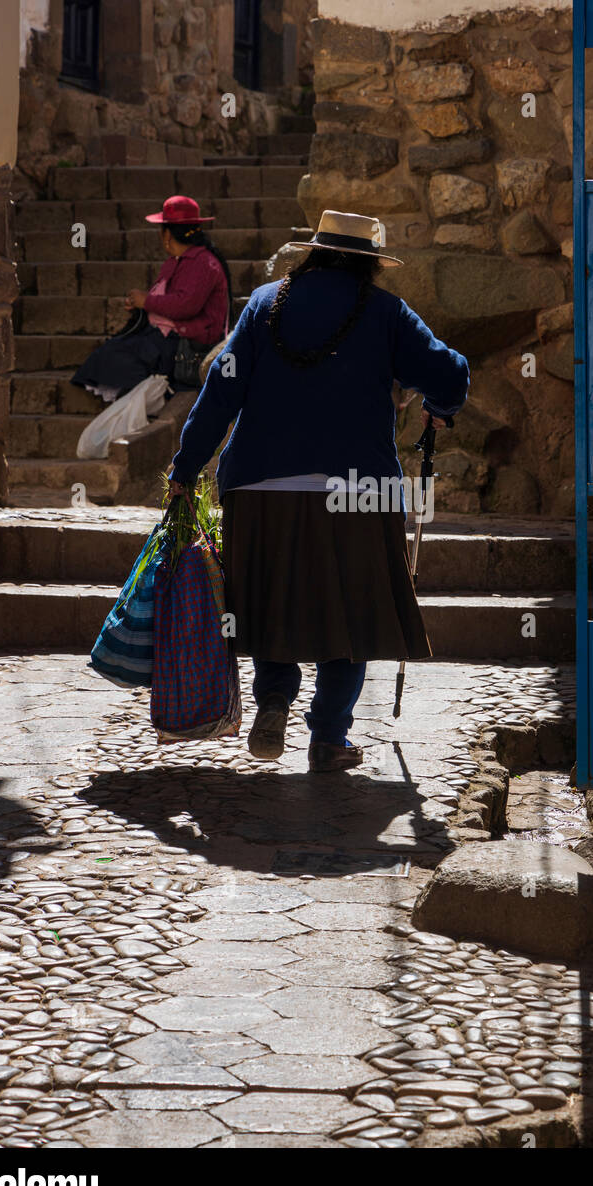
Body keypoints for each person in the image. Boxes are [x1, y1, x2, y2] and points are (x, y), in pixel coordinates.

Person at [165, 209, 469, 773]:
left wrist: (185, 467)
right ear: (370, 265)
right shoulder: (386, 313)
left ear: (315, 252)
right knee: (348, 613)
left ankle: (275, 699)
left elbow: (219, 392)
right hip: (355, 492)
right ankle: (329, 736)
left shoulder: (264, 305)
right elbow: (450, 372)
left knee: (272, 600)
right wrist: (439, 408)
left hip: (261, 489)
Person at [72, 196, 231, 402]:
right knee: (115, 349)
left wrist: (146, 301)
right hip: (167, 335)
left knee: (119, 356)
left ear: (166, 234)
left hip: (187, 343)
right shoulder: (176, 262)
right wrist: (140, 304)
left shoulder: (203, 263)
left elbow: (185, 306)